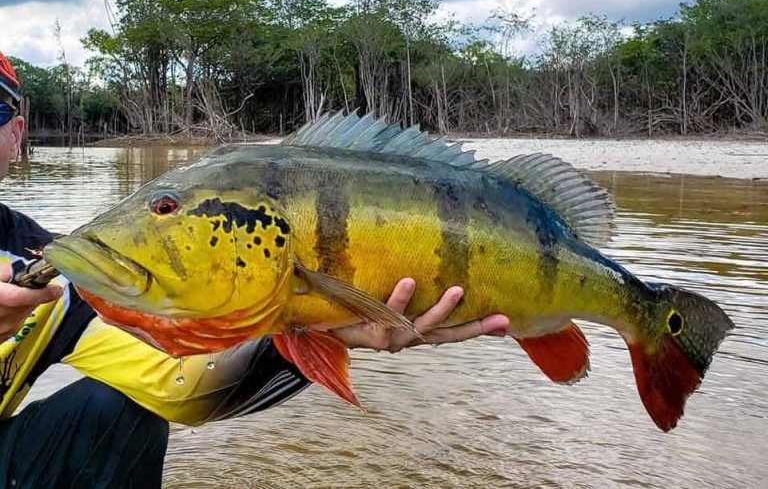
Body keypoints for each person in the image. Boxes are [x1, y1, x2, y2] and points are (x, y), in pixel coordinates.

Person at [0, 52, 510, 488]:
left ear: (16, 135)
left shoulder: (37, 264)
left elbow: (179, 386)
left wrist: (309, 330)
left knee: (114, 409)